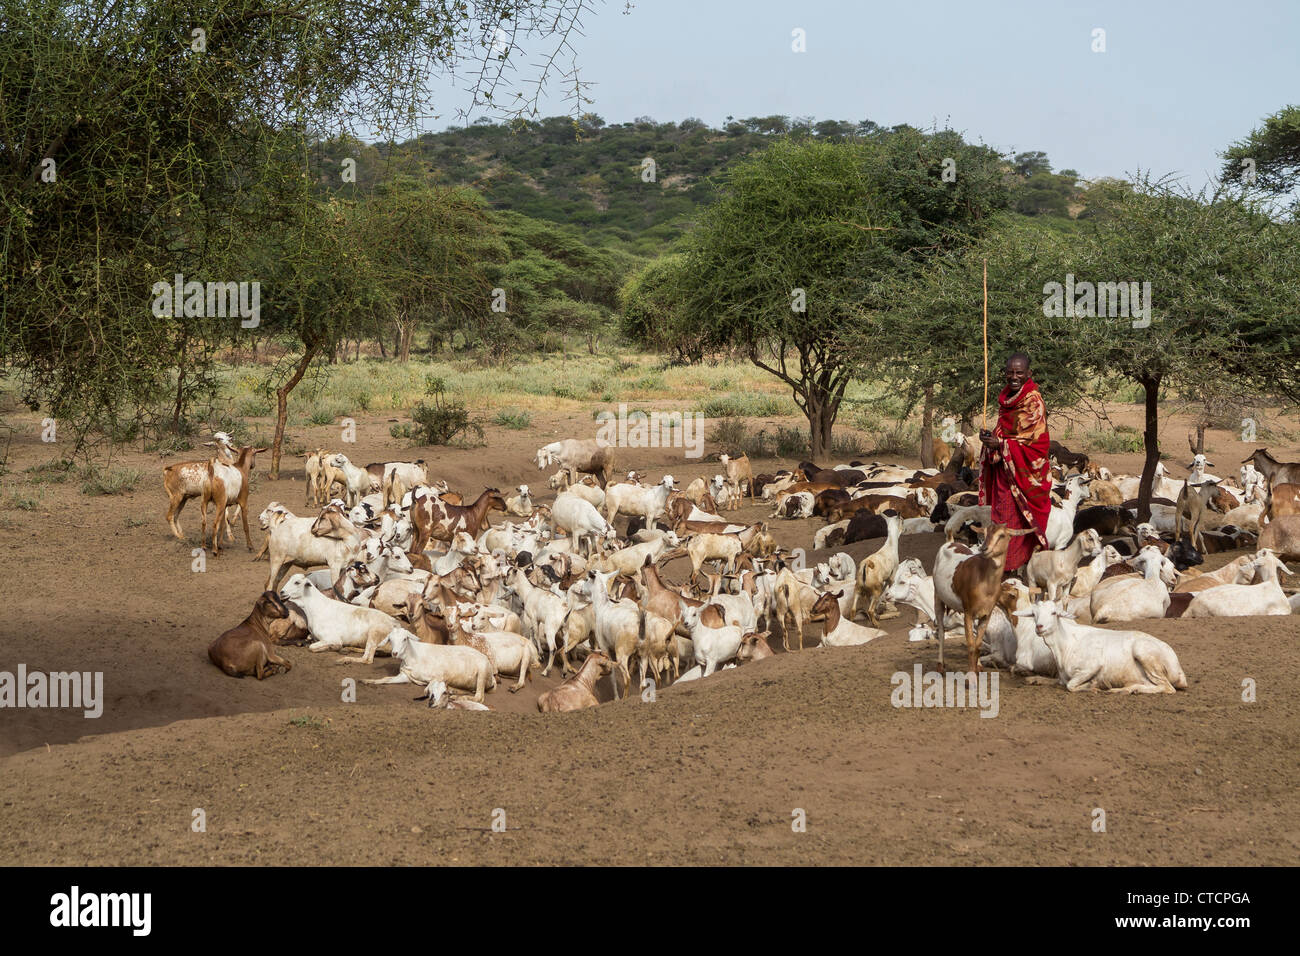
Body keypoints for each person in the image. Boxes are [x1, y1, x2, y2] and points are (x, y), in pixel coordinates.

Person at [977, 352, 1052, 574]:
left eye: (1019, 372)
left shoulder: (1033, 402)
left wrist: (1000, 444)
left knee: (1014, 525)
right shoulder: (1008, 400)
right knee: (1000, 520)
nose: (1014, 376)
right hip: (1006, 474)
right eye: (1010, 372)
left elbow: (1035, 444)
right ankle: (999, 566)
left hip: (1024, 474)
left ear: (1029, 374)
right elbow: (1007, 435)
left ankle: (1010, 571)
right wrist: (991, 440)